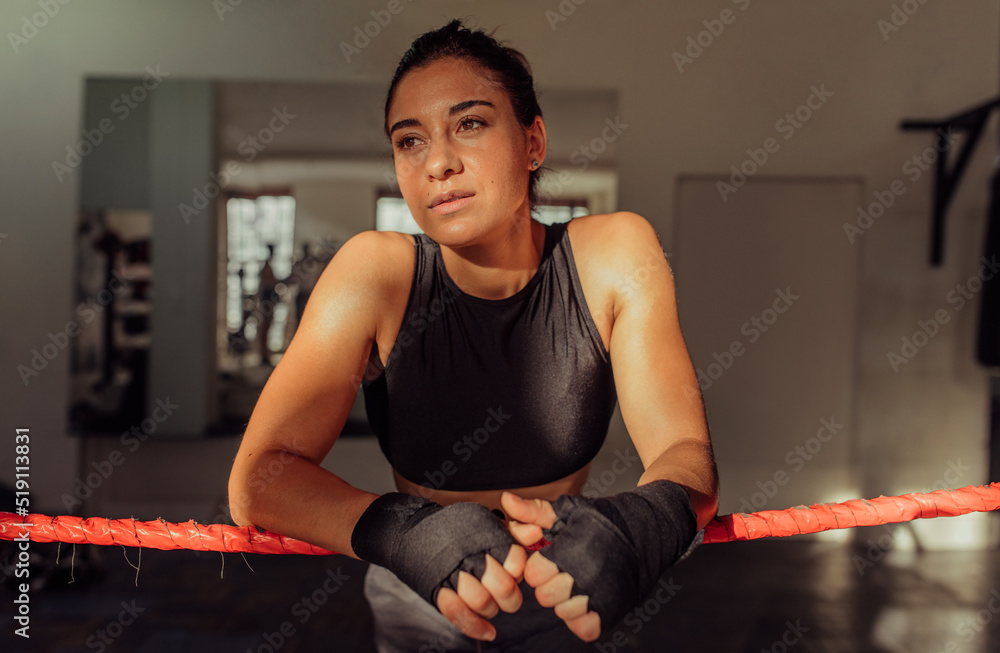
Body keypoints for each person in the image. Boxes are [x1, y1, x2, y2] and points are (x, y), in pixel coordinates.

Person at [228, 19, 719, 652]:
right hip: (423, 590)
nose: (438, 162)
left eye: (471, 124)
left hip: (566, 581)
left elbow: (685, 450)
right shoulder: (375, 272)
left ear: (533, 140)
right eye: (410, 140)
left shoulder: (614, 255)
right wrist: (404, 532)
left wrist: (636, 524)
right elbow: (258, 480)